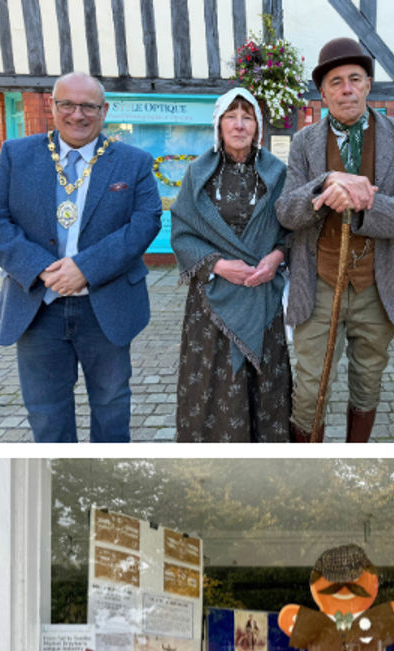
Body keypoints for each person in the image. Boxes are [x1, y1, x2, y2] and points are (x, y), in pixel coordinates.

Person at [0, 72, 162, 442]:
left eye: (88, 106)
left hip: (105, 307)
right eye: (68, 104)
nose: (77, 115)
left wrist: (85, 268)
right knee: (46, 418)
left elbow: (145, 223)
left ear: (104, 110)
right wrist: (41, 268)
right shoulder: (17, 155)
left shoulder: (134, 162)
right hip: (37, 307)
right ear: (53, 105)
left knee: (112, 412)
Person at [275, 38, 394, 441]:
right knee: (311, 388)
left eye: (355, 79)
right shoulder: (304, 142)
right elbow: (287, 212)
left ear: (367, 85)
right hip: (320, 283)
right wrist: (325, 186)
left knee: (368, 381)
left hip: (378, 285)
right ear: (323, 93)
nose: (347, 89)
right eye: (336, 82)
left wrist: (362, 205)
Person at [170, 87, 291, 441]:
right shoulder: (198, 174)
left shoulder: (277, 174)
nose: (239, 125)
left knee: (265, 382)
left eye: (247, 117)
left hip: (261, 294)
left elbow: (292, 231)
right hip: (211, 301)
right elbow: (182, 233)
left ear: (258, 126)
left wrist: (276, 258)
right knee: (213, 380)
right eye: (231, 117)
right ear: (219, 125)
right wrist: (218, 265)